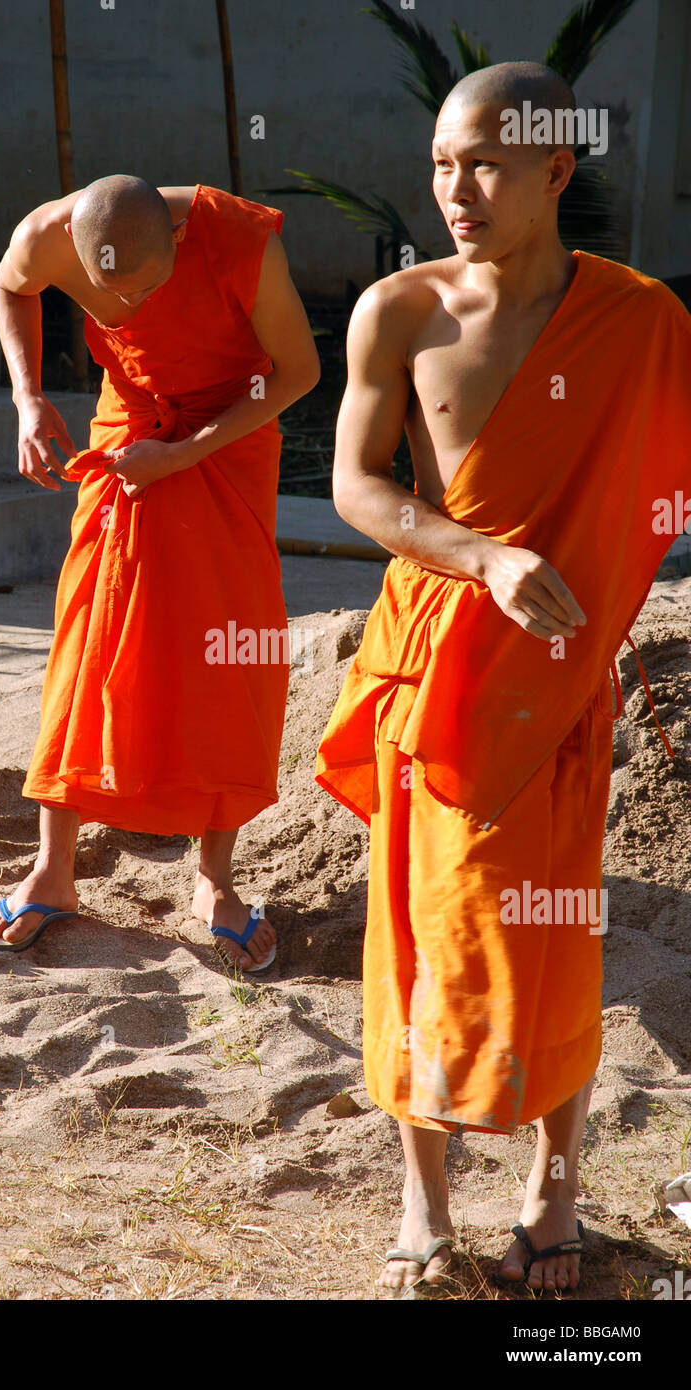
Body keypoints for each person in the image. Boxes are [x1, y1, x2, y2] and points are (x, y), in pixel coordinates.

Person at [315, 62, 691, 1293]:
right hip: (443, 667)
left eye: (481, 163)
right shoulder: (400, 311)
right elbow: (359, 487)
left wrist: (598, 585)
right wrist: (478, 553)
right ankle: (423, 1204)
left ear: (553, 170)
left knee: (555, 940)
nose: (455, 189)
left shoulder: (640, 319)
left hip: (564, 672)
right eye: (439, 164)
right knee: (426, 937)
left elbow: (658, 481)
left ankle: (552, 1197)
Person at [0, 176, 320, 970]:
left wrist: (184, 455)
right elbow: (9, 285)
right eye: (112, 296)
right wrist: (28, 400)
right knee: (90, 637)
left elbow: (298, 373)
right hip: (131, 420)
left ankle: (213, 879)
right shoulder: (44, 233)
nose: (129, 308)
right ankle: (54, 871)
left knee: (221, 646)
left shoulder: (242, 243)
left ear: (177, 238)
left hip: (225, 431)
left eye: (145, 289)